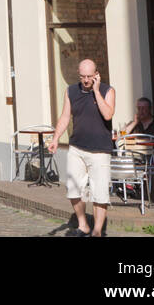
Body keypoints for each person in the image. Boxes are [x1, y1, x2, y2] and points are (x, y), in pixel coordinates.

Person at [48, 58, 115, 237]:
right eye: (83, 76)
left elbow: (108, 114)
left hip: (100, 150)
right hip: (77, 148)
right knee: (73, 189)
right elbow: (64, 117)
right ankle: (83, 224)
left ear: (96, 75)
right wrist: (55, 138)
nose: (86, 80)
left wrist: (95, 91)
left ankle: (97, 231)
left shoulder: (107, 90)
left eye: (89, 76)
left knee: (99, 193)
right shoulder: (71, 91)